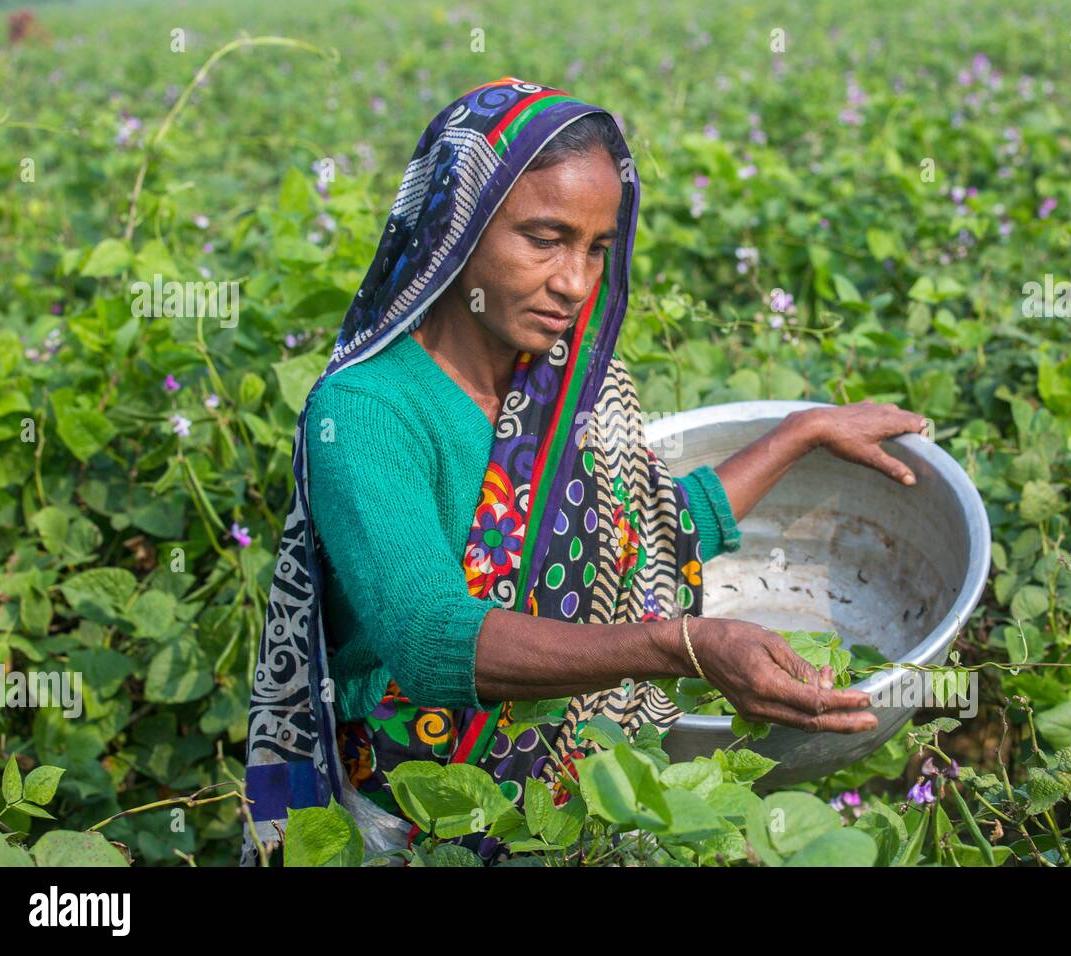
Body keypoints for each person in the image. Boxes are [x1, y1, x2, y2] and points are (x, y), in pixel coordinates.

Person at [242, 77, 926, 866]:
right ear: (455, 230)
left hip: (557, 800)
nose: (575, 282)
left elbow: (646, 542)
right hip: (414, 810)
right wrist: (685, 646)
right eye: (544, 238)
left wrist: (799, 434)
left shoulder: (558, 381)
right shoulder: (368, 411)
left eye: (597, 248)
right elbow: (429, 639)